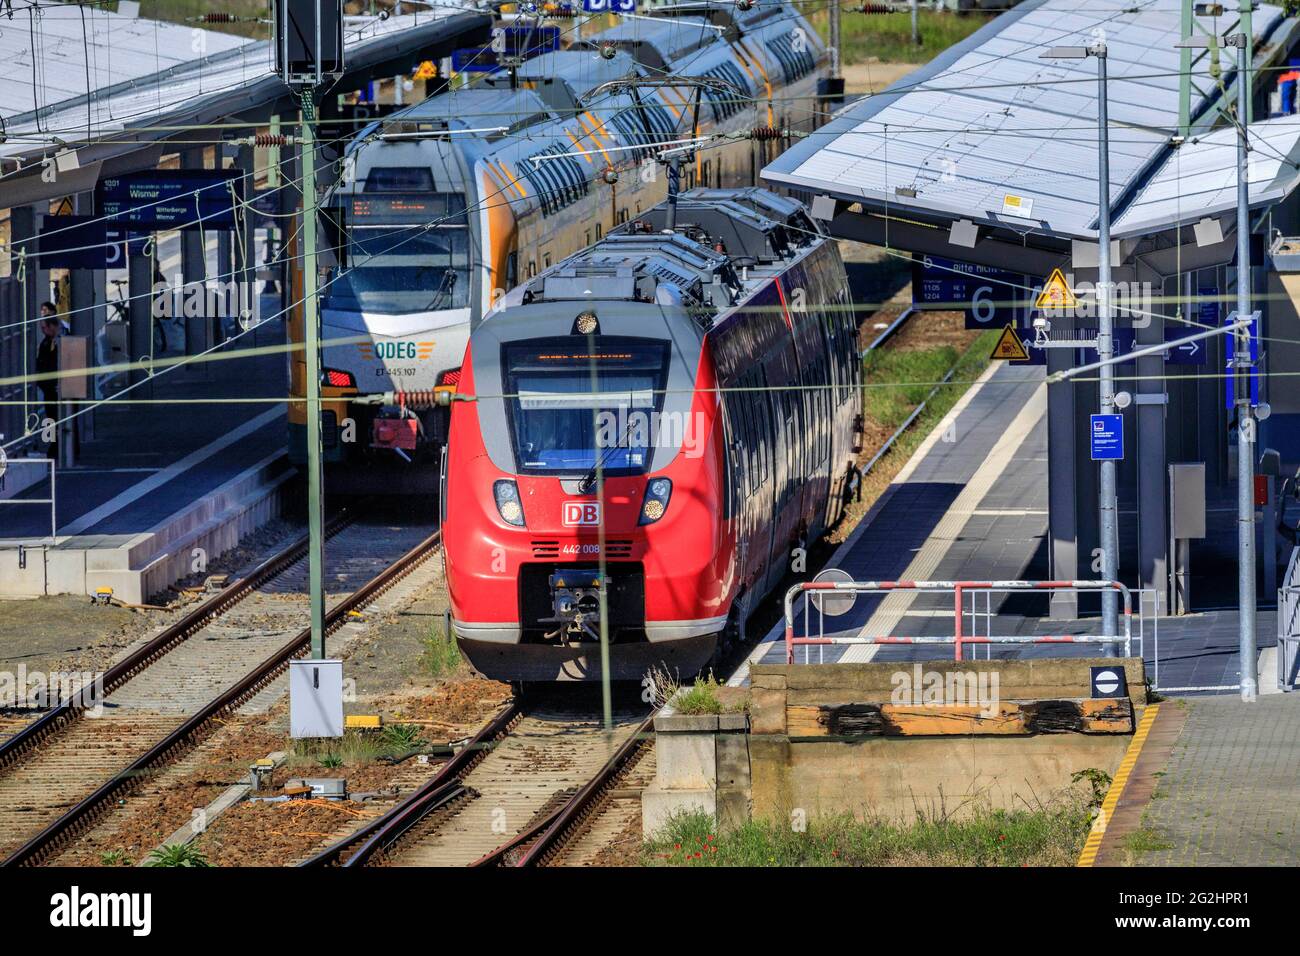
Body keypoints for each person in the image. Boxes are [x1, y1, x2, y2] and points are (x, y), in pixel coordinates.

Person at [35, 307, 61, 463]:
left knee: (55, 417)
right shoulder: (46, 342)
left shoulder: (57, 342)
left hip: (55, 385)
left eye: (45, 327)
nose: (43, 330)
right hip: (47, 387)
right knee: (50, 418)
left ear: (52, 327)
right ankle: (51, 444)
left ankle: (56, 445)